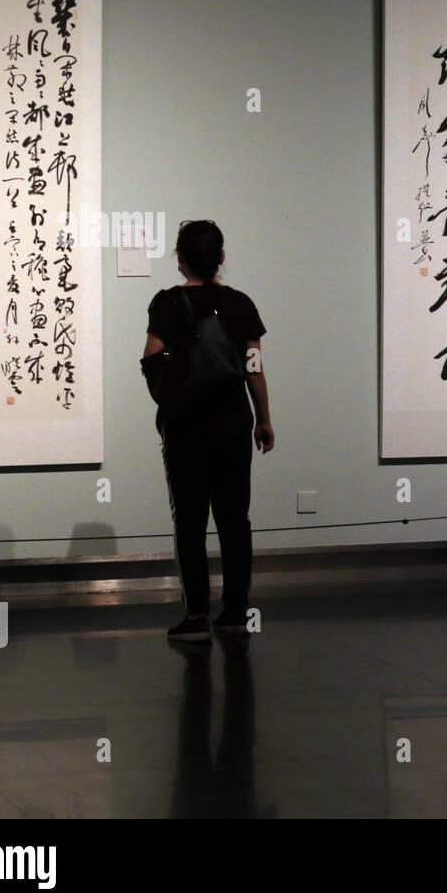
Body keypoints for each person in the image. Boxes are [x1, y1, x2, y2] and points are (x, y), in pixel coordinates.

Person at [141, 220, 274, 642]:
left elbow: (152, 357)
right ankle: (235, 610)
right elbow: (253, 367)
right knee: (235, 519)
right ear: (220, 257)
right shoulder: (241, 304)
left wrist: (173, 396)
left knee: (190, 521)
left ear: (180, 259)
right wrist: (264, 418)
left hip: (185, 427)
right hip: (233, 423)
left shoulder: (166, 303)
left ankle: (196, 614)